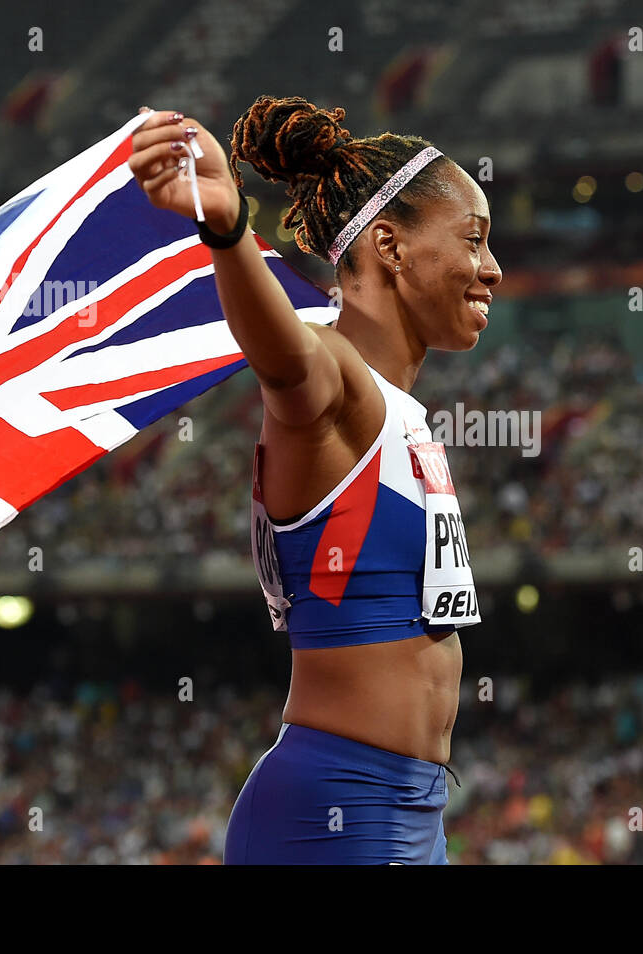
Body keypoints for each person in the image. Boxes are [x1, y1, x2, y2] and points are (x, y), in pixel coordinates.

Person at [128, 95, 502, 863]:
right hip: (335, 811)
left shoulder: (397, 410)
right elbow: (286, 359)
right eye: (473, 239)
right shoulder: (335, 378)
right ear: (391, 247)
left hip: (410, 812)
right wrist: (228, 232)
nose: (491, 268)